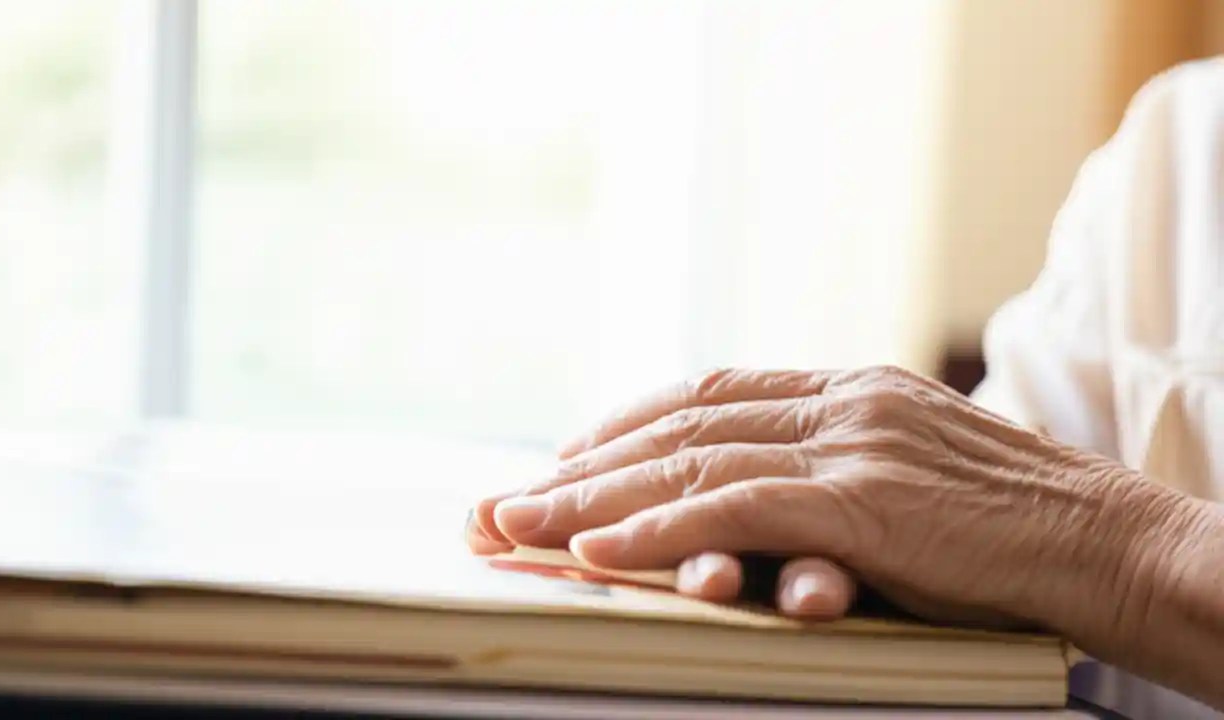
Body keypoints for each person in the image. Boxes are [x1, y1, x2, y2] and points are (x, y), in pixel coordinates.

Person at [466, 59, 1224, 714]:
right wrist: (829, 540)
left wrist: (1120, 550)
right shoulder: (1180, 144)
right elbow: (992, 537)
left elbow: (1051, 520)